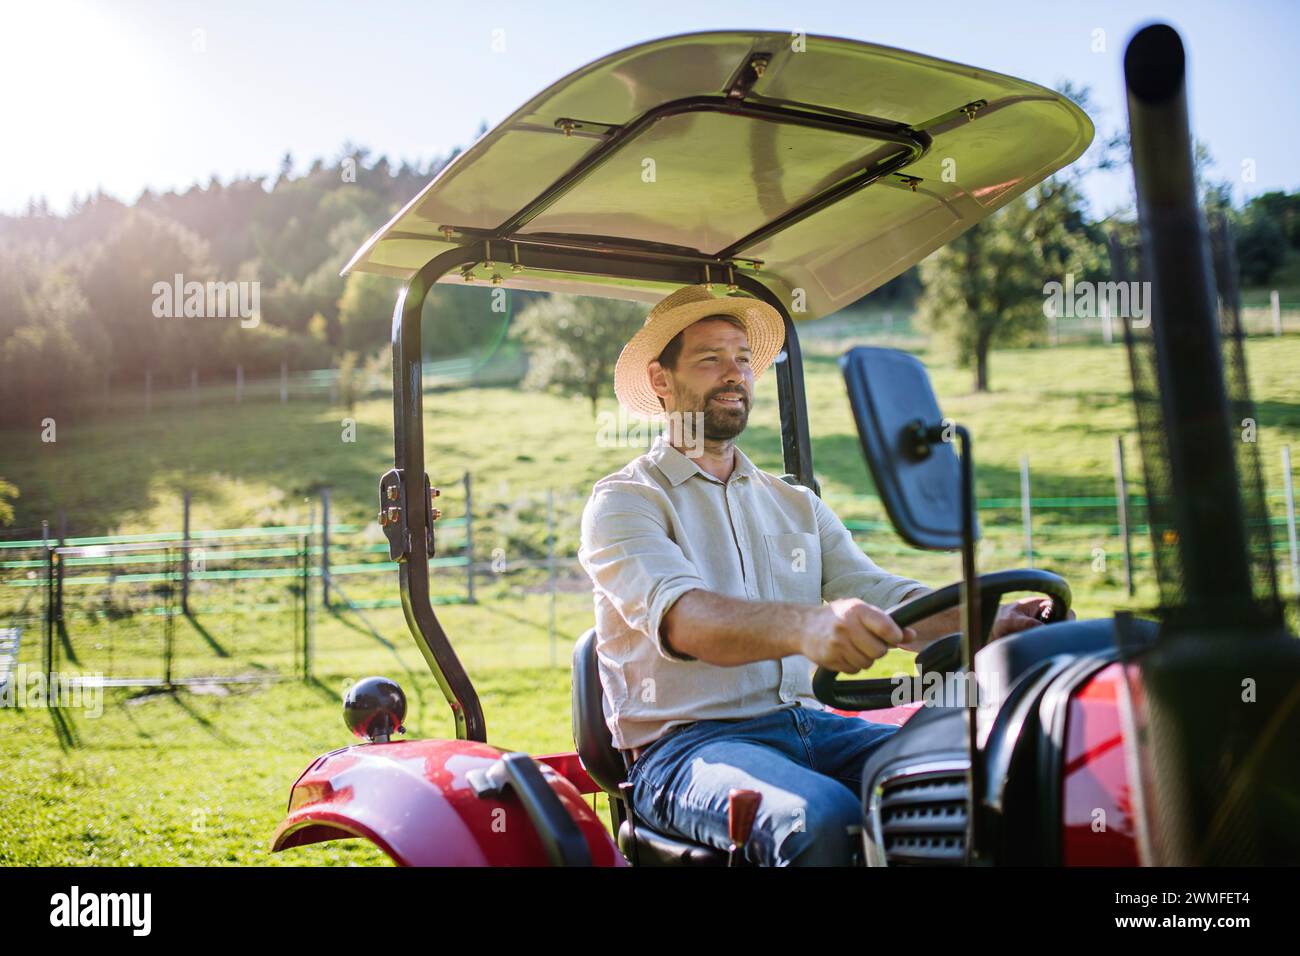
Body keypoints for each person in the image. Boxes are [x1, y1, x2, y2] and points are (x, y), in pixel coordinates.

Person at [577, 284, 1052, 865]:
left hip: (817, 727)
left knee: (984, 777)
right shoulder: (625, 502)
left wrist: (995, 619)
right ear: (660, 380)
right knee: (821, 819)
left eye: (744, 360)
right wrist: (810, 627)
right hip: (689, 748)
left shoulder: (795, 503)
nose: (735, 375)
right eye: (710, 359)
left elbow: (882, 595)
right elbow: (687, 620)